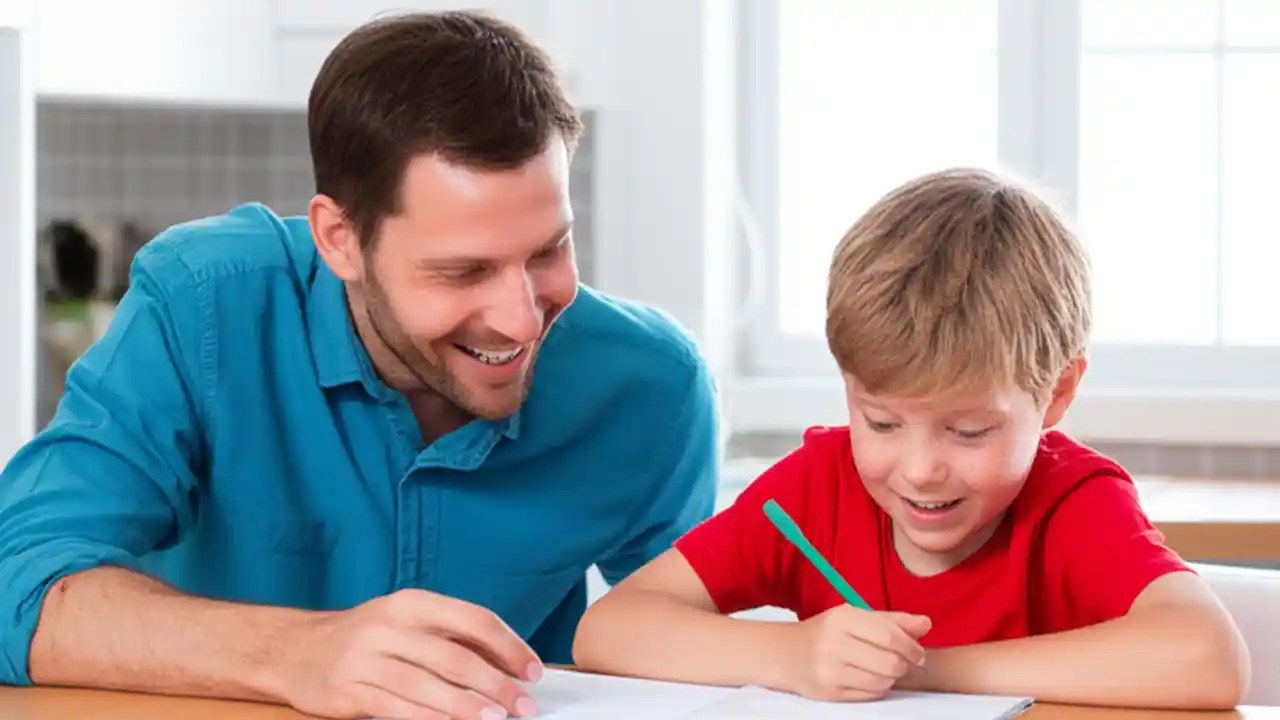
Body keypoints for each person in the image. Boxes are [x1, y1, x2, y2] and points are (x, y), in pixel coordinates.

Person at [0, 11, 720, 720]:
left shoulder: (654, 386)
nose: (522, 319)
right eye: (463, 271)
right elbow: (14, 581)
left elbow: (689, 657)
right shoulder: (203, 306)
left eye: (547, 251)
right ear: (339, 239)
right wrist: (294, 652)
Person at [572, 168, 1251, 710]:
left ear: (1059, 394)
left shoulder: (1073, 503)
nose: (921, 470)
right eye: (883, 422)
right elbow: (609, 630)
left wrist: (927, 671)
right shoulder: (815, 489)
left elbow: (1209, 659)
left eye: (968, 431)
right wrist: (790, 656)